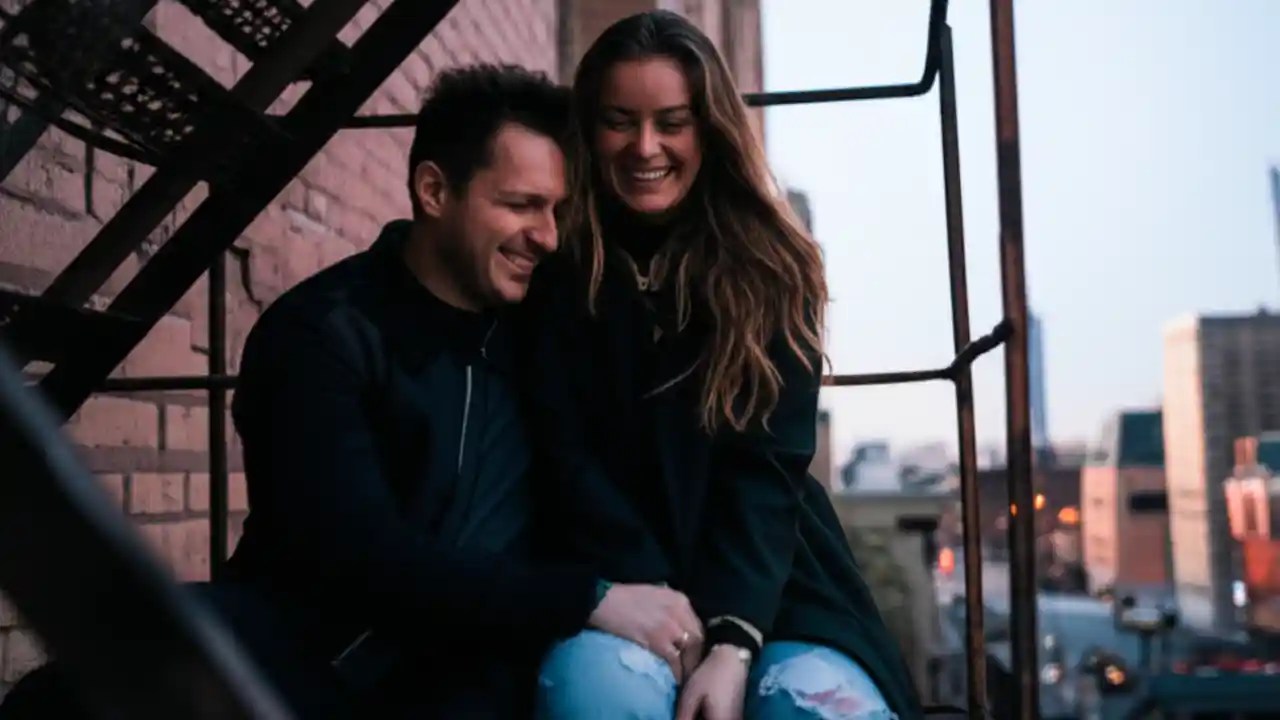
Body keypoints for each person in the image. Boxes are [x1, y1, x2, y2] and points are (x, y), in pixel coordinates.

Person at [0, 64, 701, 720]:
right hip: (308, 647)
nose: (547, 237)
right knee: (81, 686)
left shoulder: (542, 334)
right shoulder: (322, 333)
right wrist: (588, 597)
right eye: (521, 205)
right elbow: (359, 555)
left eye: (558, 210)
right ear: (433, 191)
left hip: (473, 668)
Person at [524, 12, 924, 720]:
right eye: (620, 120)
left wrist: (734, 641)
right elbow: (562, 455)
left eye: (671, 121)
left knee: (817, 709)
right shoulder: (554, 262)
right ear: (588, 129)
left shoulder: (772, 264)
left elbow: (767, 469)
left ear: (707, 126)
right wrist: (651, 608)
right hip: (611, 574)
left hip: (770, 577)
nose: (645, 147)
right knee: (598, 695)